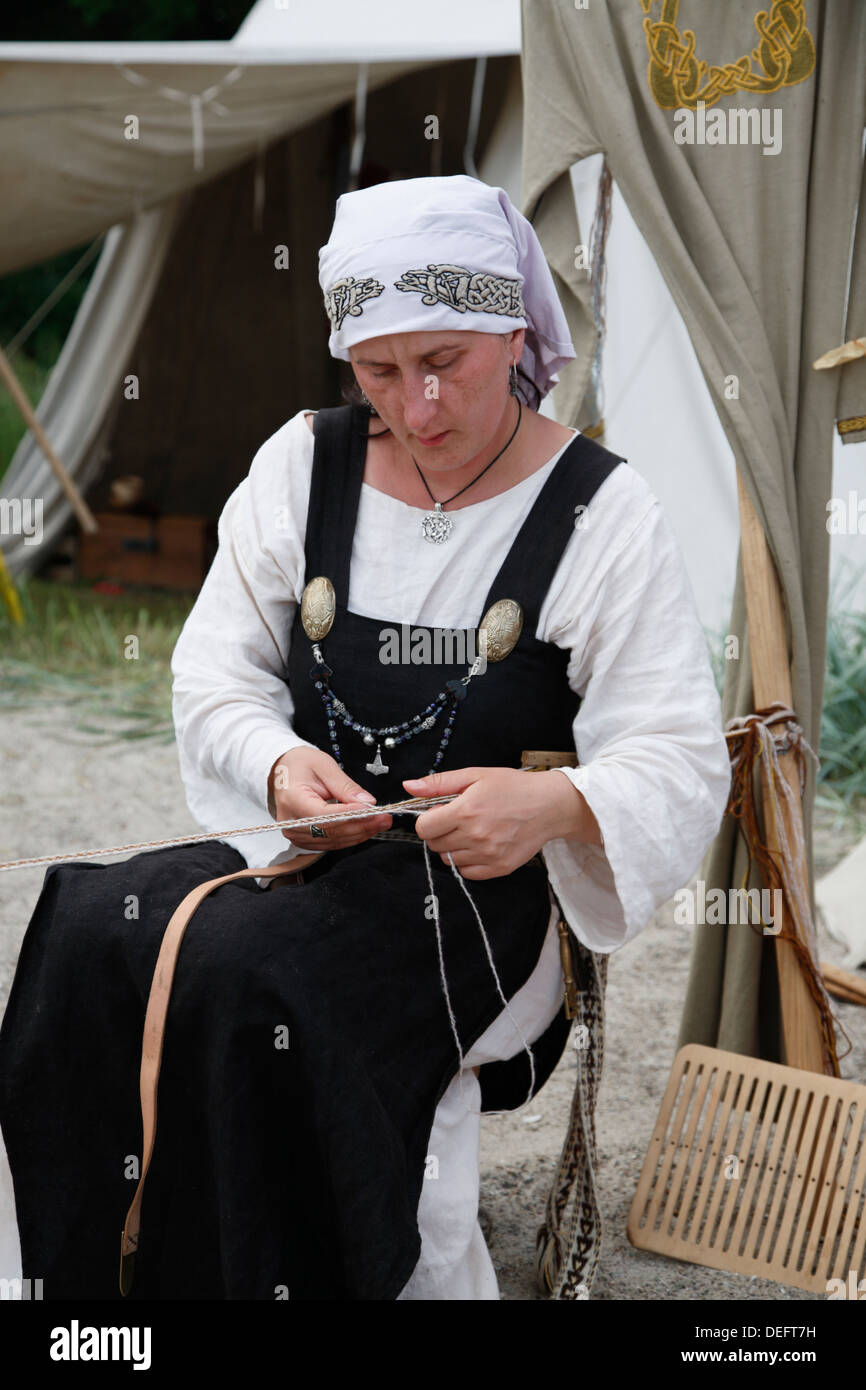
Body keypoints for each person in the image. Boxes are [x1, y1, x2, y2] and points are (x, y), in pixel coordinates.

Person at [0, 174, 730, 1301]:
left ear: (511, 327)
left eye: (446, 360)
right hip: (296, 857)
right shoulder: (306, 461)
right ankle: (100, 1290)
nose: (418, 402)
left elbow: (678, 751)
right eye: (380, 371)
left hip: (482, 899)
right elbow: (214, 670)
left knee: (250, 980)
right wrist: (279, 763)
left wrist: (550, 805)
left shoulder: (601, 507)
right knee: (89, 930)